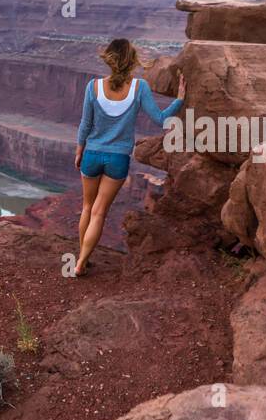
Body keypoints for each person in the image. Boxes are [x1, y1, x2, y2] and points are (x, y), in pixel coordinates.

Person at [73, 39, 186, 275]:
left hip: (92, 154)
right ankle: (82, 262)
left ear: (110, 59)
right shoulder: (139, 87)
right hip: (118, 159)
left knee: (86, 207)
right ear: (132, 60)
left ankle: (81, 258)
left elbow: (85, 124)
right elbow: (161, 120)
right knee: (99, 212)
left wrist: (79, 150)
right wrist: (179, 100)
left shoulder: (93, 86)